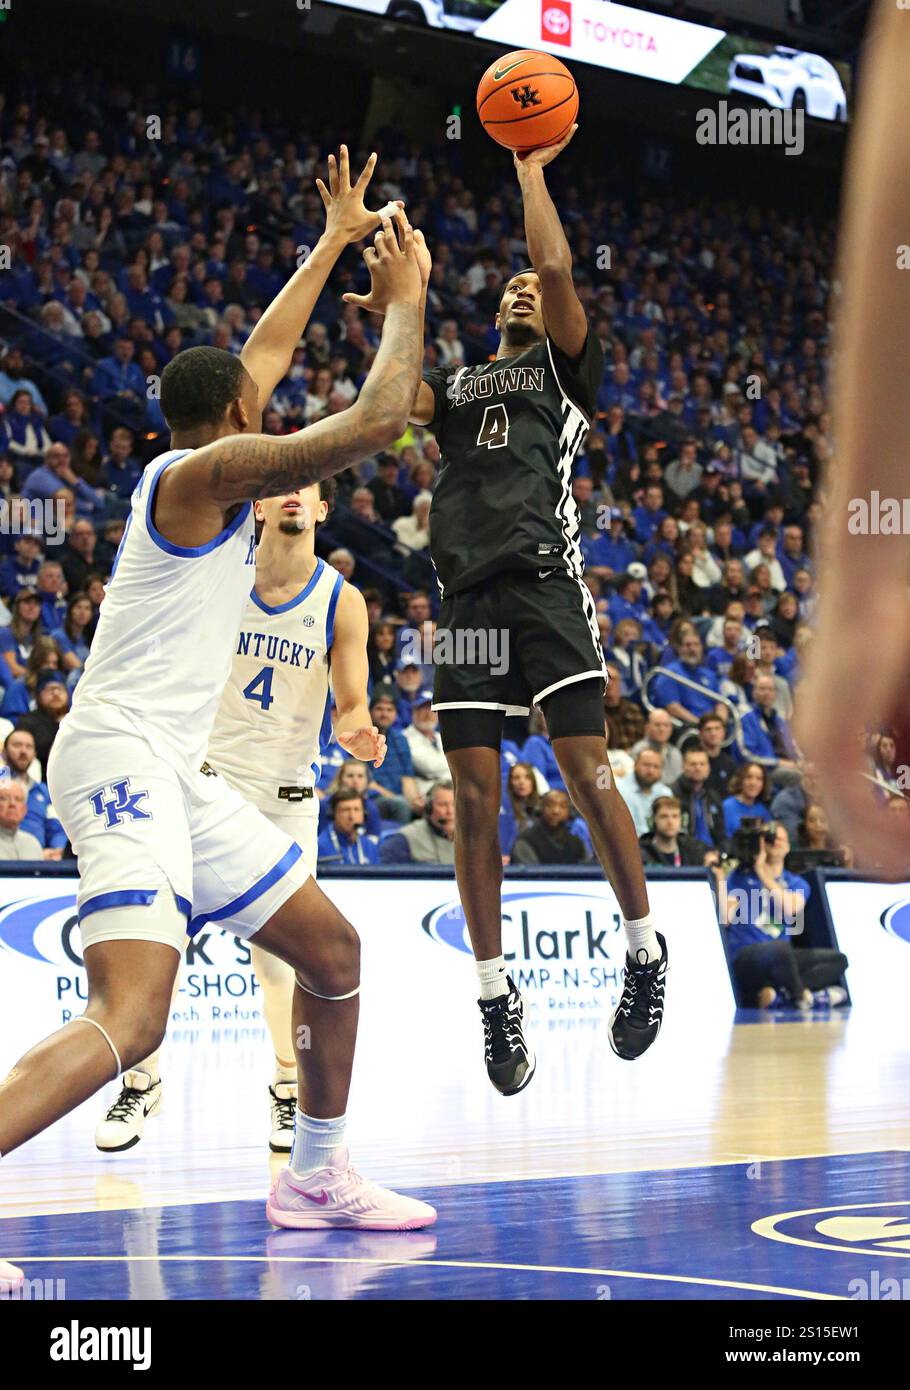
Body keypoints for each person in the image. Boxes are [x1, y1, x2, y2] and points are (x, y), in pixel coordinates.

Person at [0, 161, 437, 1239]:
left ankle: (316, 1176)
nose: (268, 390)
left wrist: (334, 242)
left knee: (334, 956)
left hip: (171, 763)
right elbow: (379, 419)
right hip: (117, 755)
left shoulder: (208, 452)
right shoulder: (198, 477)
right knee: (134, 1017)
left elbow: (270, 351)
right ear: (239, 417)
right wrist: (409, 296)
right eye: (257, 398)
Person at [393, 127, 669, 1090]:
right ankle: (493, 995)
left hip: (547, 583)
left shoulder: (563, 370)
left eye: (531, 289)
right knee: (473, 801)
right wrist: (404, 300)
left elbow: (553, 261)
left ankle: (642, 949)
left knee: (589, 774)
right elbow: (391, 407)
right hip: (464, 598)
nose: (522, 288)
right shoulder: (461, 386)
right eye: (505, 287)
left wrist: (529, 171)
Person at [92, 474, 386, 1155]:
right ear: (255, 504)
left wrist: (356, 730)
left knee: (281, 965)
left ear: (321, 508)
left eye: (305, 488)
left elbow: (351, 700)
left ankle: (287, 1090)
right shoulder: (218, 579)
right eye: (278, 486)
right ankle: (141, 1081)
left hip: (283, 798)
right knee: (153, 943)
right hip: (200, 786)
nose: (291, 496)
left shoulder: (342, 603)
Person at [713, 823, 848, 1009]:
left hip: (783, 961)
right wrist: (720, 879)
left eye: (780, 838)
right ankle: (802, 997)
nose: (775, 841)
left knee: (838, 960)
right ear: (761, 844)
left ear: (788, 846)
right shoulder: (739, 877)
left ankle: (780, 996)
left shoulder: (795, 881)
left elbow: (791, 909)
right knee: (780, 949)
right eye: (770, 838)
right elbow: (725, 919)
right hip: (747, 956)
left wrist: (763, 873)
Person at [0, 727, 66, 858]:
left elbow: (55, 826)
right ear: (4, 752)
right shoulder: (1, 782)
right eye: (17, 745)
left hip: (37, 854)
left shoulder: (43, 791)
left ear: (35, 754)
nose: (23, 751)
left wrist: (57, 850)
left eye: (28, 747)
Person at [379, 780, 456, 864]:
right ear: (428, 808)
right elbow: (381, 871)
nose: (450, 811)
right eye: (443, 805)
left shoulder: (471, 838)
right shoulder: (408, 837)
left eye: (456, 805)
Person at [510, 789, 587, 866]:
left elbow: (588, 870)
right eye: (550, 805)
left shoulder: (576, 843)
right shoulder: (526, 840)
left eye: (563, 806)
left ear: (570, 812)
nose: (556, 811)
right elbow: (531, 874)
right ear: (540, 808)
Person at [639, 796, 712, 867]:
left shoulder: (695, 850)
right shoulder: (640, 853)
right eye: (664, 816)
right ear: (652, 820)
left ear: (682, 820)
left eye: (675, 816)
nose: (670, 822)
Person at [617, 748, 674, 836]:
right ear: (635, 765)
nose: (650, 771)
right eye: (646, 765)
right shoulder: (620, 789)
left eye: (656, 767)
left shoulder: (665, 793)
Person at [317, 791, 381, 867]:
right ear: (333, 814)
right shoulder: (319, 846)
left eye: (356, 810)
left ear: (364, 814)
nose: (352, 816)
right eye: (346, 810)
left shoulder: (369, 846)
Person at [631, 707, 683, 784]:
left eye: (666, 725)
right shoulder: (639, 750)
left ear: (671, 729)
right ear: (647, 727)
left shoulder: (675, 753)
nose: (662, 729)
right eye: (657, 725)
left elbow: (677, 782)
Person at [722, 762, 772, 839]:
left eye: (759, 779)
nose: (753, 783)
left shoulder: (762, 810)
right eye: (749, 777)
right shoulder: (727, 806)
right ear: (740, 780)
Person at [0, 780, 44, 861]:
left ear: (25, 809)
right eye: (4, 798)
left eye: (18, 799)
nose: (12, 804)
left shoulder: (33, 844)